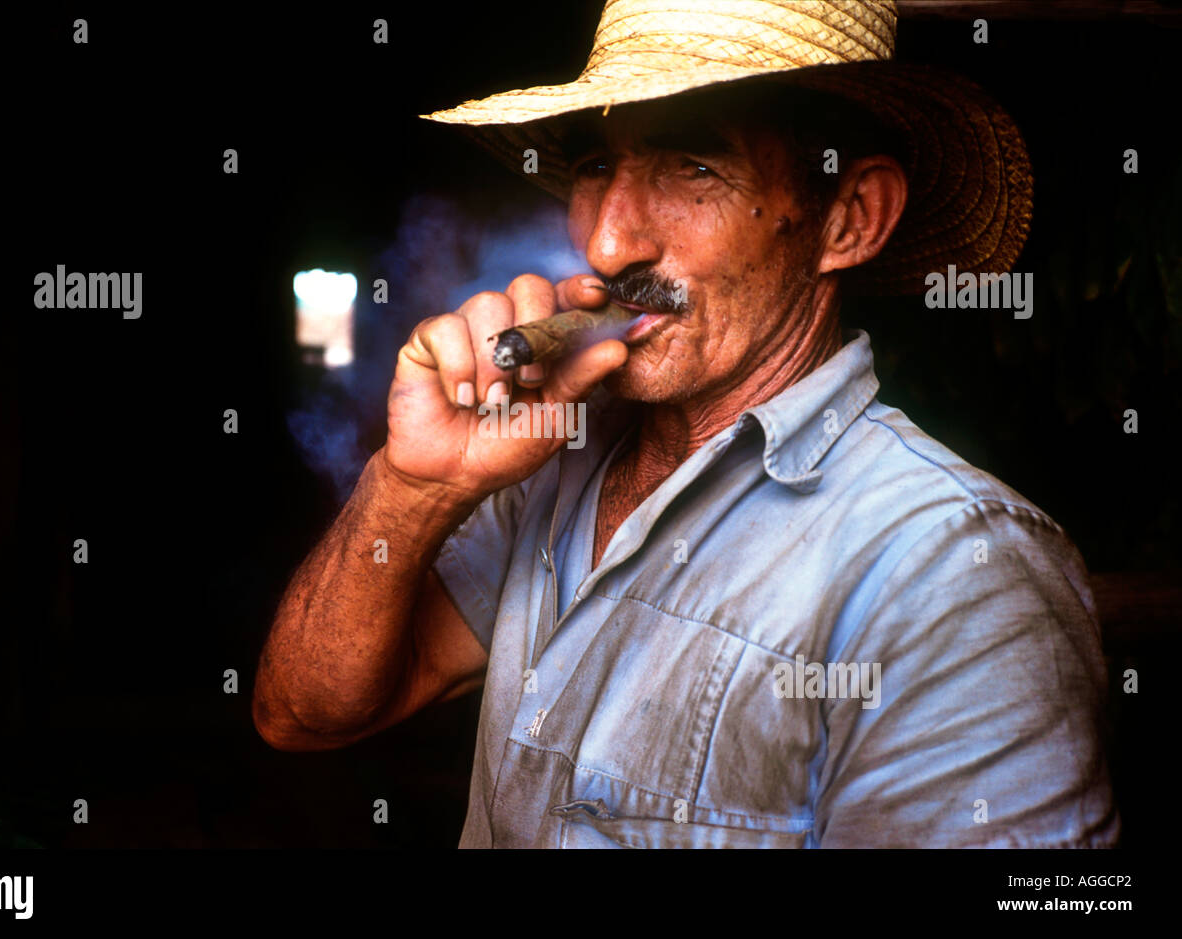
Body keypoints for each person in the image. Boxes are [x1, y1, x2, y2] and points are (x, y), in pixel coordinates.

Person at [253, 0, 1119, 848]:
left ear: (849, 219)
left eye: (693, 165)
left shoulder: (949, 572)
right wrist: (416, 486)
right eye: (596, 164)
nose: (606, 246)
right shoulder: (552, 461)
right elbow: (303, 715)